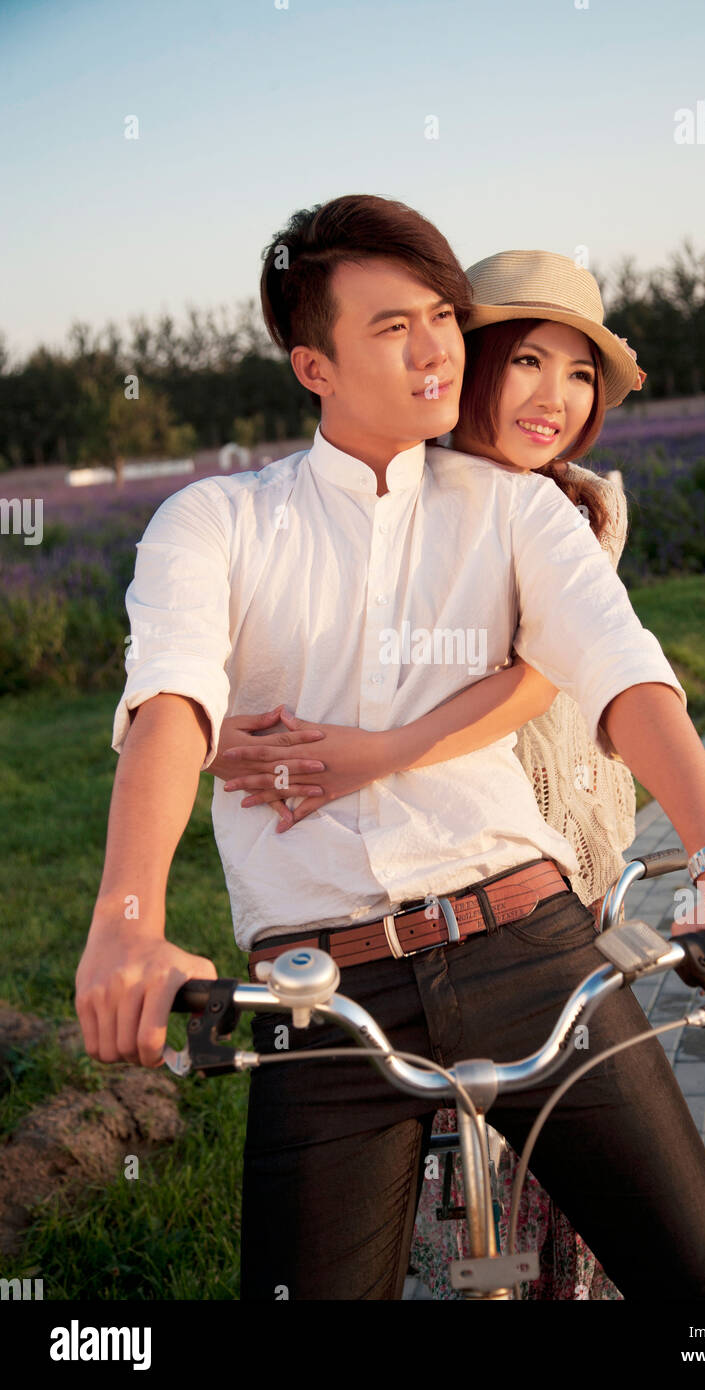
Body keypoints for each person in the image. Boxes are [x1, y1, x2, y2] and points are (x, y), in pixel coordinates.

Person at [75, 193, 705, 1301]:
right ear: (311, 364)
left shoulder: (514, 509)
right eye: (389, 327)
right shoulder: (213, 521)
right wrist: (128, 922)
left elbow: (620, 665)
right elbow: (171, 704)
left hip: (528, 940)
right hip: (317, 999)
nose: (434, 351)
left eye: (440, 315)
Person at [208, 253, 643, 1299]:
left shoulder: (577, 509)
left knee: (570, 1222)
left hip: (555, 879)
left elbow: (538, 682)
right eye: (526, 360)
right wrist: (226, 738)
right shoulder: (381, 504)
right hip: (409, 909)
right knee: (444, 1206)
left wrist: (374, 753)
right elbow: (233, 670)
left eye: (580, 373)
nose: (554, 396)